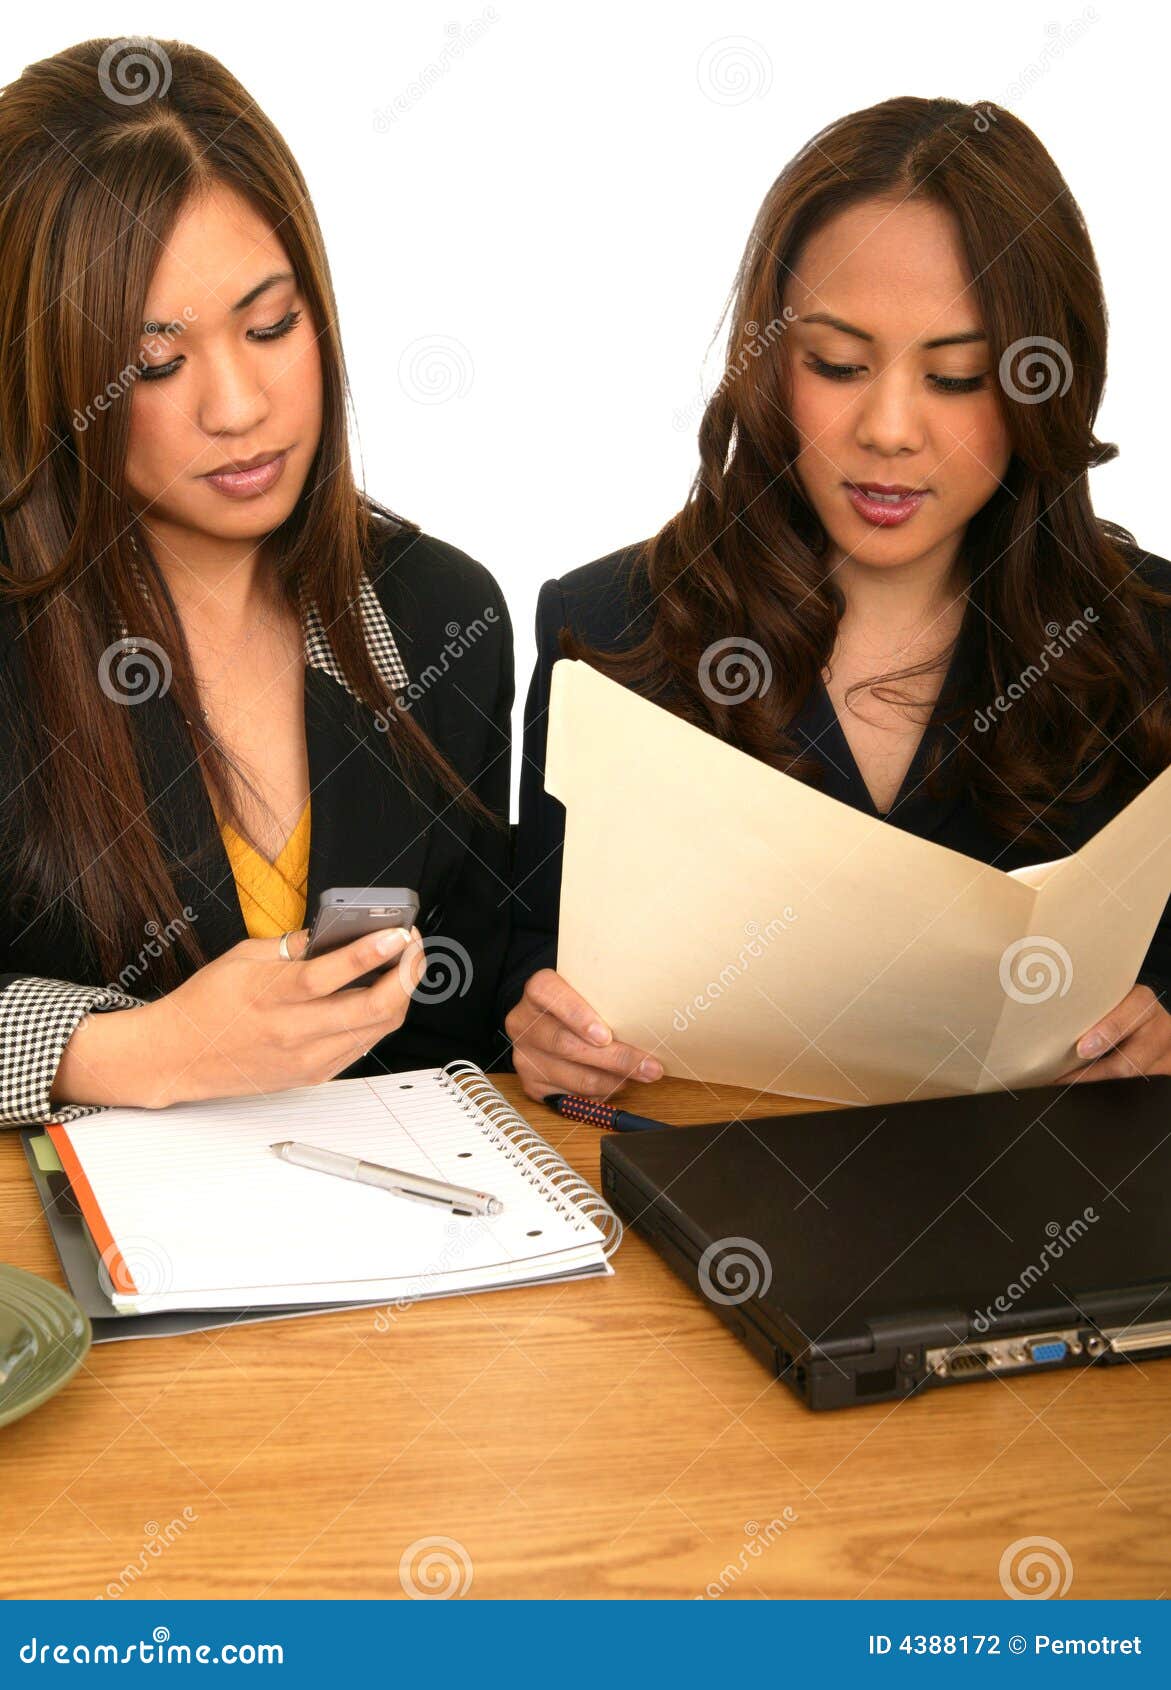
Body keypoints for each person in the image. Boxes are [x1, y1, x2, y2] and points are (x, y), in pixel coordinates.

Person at [503, 94, 1171, 1103]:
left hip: (1047, 1229)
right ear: (769, 359)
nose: (889, 428)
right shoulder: (606, 632)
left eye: (955, 376)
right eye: (837, 364)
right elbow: (515, 959)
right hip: (693, 1208)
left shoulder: (1145, 635)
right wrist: (534, 1023)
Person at [0, 38, 512, 1126]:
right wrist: (128, 1051)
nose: (237, 406)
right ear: (46, 372)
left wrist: (555, 1017)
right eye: (154, 363)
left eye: (270, 324)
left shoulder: (437, 617)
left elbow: (463, 1024)